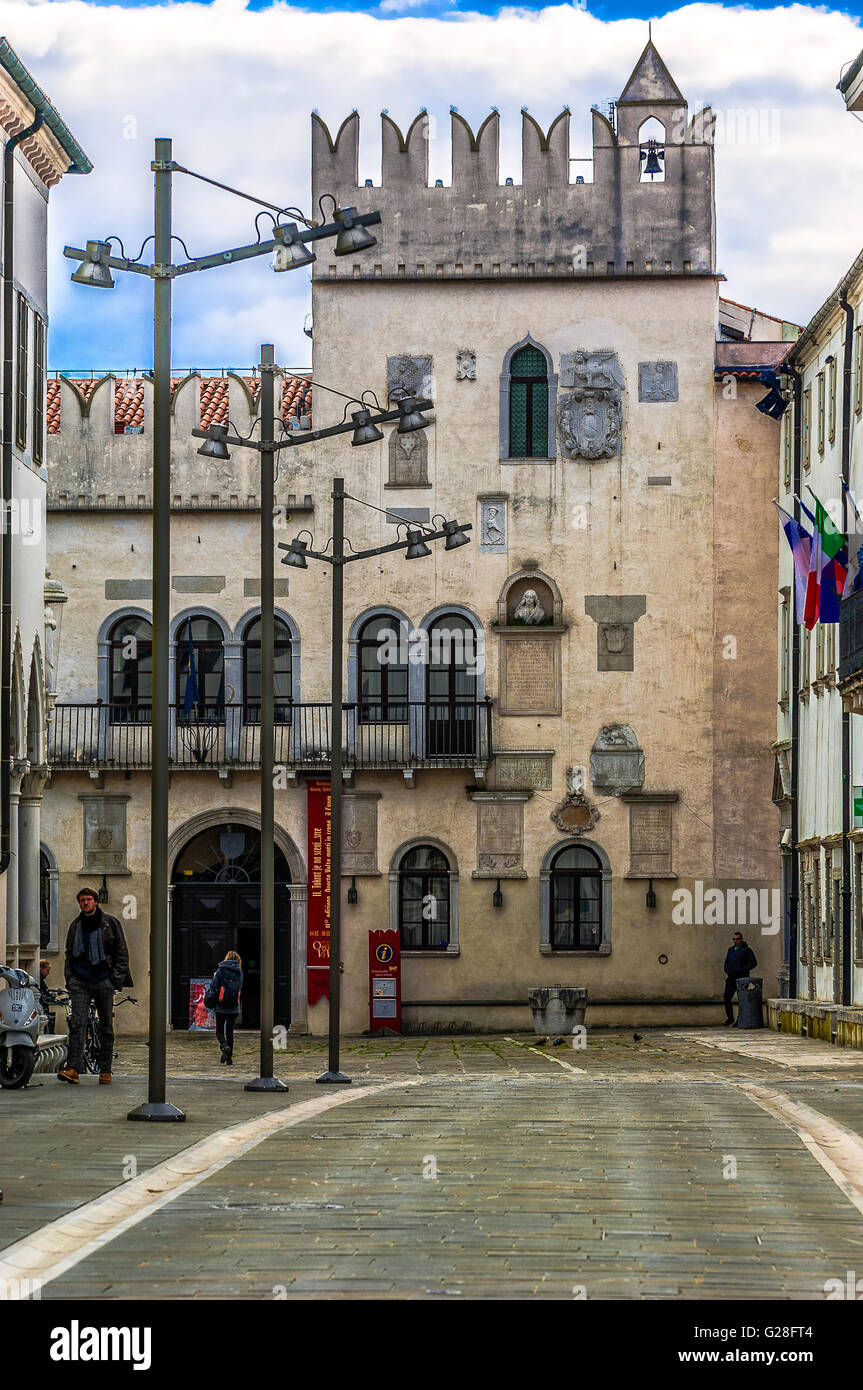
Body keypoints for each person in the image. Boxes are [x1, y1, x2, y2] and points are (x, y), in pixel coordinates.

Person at [56, 888, 133, 1085]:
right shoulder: (76, 926)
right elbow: (68, 953)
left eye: (88, 900)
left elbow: (121, 953)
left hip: (103, 980)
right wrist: (70, 978)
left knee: (105, 1026)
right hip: (80, 981)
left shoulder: (110, 923)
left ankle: (105, 1070)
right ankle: (73, 1068)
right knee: (77, 1023)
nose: (85, 903)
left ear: (96, 902)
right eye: (82, 900)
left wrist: (114, 979)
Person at [209, 950, 243, 1065]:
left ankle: (224, 1046)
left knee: (219, 1030)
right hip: (234, 1006)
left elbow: (214, 986)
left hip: (221, 1005)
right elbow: (240, 986)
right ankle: (229, 1059)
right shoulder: (240, 972)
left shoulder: (221, 970)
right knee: (229, 1031)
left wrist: (215, 977)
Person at [723, 931, 757, 1026]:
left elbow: (753, 962)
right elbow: (726, 961)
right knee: (726, 997)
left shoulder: (746, 950)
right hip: (731, 978)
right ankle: (730, 1018)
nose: (735, 941)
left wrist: (743, 969)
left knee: (742, 999)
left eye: (737, 939)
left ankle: (740, 1020)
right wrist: (726, 969)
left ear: (741, 939)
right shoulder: (731, 950)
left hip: (742, 979)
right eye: (734, 939)